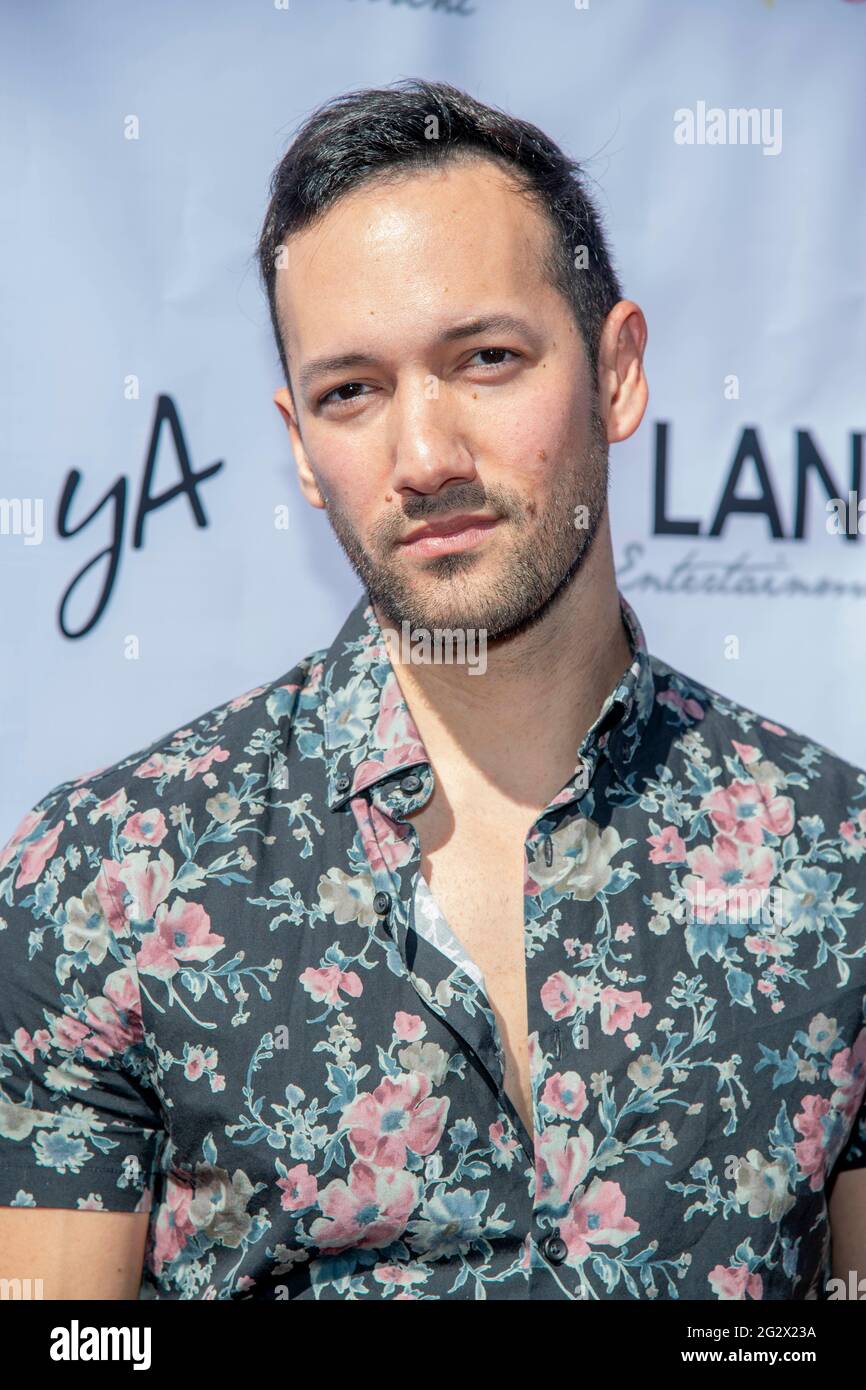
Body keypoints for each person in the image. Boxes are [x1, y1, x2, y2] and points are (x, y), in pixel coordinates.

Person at [1, 78, 864, 1302]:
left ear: (616, 371)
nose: (424, 458)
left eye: (487, 360)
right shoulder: (109, 878)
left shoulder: (833, 861)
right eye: (352, 390)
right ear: (300, 443)